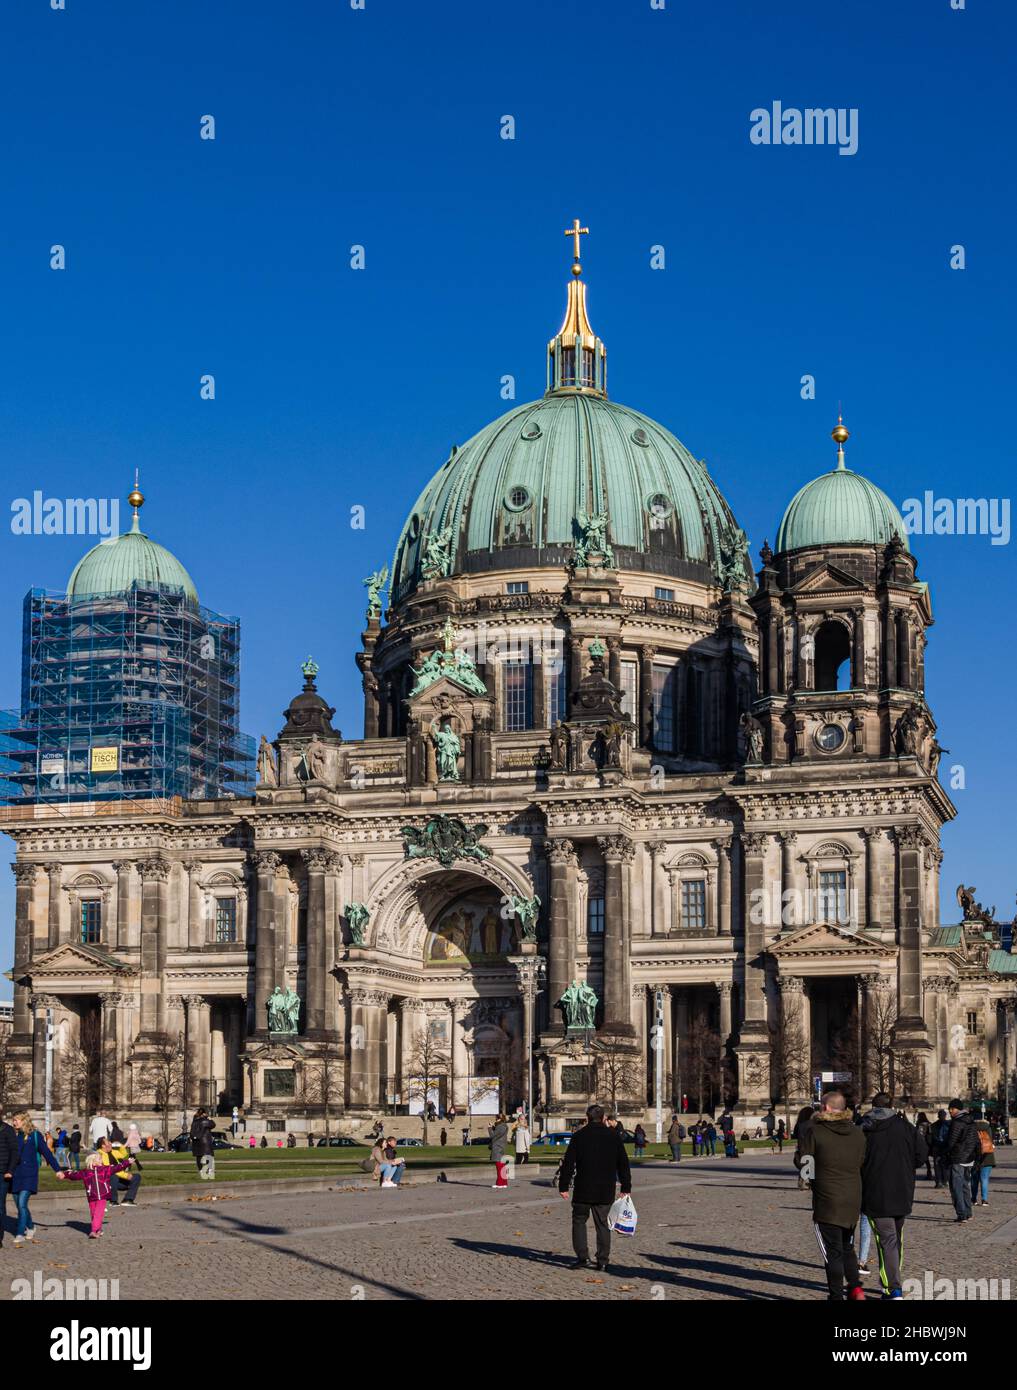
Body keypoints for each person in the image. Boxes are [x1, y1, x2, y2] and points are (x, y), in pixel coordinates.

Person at [794, 1090, 866, 1301]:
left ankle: (836, 1296)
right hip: (852, 1198)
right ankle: (856, 1288)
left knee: (832, 1252)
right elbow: (861, 1161)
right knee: (847, 1247)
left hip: (827, 1200)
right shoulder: (857, 1133)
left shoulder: (815, 1132)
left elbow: (806, 1168)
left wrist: (800, 1159)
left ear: (825, 1108)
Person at [860, 1092, 928, 1300]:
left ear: (873, 1106)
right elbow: (921, 1156)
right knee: (895, 1239)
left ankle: (892, 1288)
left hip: (875, 1192)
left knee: (887, 1240)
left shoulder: (864, 1128)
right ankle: (890, 1282)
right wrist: (905, 1167)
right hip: (902, 1191)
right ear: (892, 1106)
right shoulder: (906, 1128)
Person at [558, 1104, 632, 1273]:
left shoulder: (579, 1136)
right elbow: (623, 1164)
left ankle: (582, 1257)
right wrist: (626, 1186)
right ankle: (603, 1260)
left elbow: (569, 1163)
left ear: (587, 1117)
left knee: (579, 1222)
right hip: (605, 1188)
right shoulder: (613, 1136)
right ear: (604, 1117)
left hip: (583, 1187)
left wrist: (563, 1185)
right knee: (603, 1224)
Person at [57, 1136, 133, 1237]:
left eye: (101, 1159)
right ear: (92, 1161)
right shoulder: (86, 1172)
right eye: (99, 1159)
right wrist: (65, 1175)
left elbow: (117, 1167)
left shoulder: (105, 1169)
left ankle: (93, 1231)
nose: (101, 1160)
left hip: (103, 1195)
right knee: (94, 1213)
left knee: (98, 1213)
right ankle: (98, 1229)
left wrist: (127, 1162)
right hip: (91, 1195)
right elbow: (74, 1175)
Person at [9, 1112, 62, 1247]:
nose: (14, 1122)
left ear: (24, 1121)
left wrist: (58, 1170)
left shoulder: (35, 1136)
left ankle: (20, 1233)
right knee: (20, 1205)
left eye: (17, 1120)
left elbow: (47, 1154)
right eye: (13, 1120)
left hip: (29, 1174)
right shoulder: (13, 1135)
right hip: (15, 1174)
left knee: (21, 1203)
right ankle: (31, 1226)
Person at [945, 1098, 979, 1222]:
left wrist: (944, 1153)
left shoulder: (957, 1122)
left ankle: (961, 1214)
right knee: (965, 1185)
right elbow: (976, 1141)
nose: (950, 1111)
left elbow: (951, 1142)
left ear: (957, 1109)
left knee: (956, 1186)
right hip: (969, 1157)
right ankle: (968, 1212)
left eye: (952, 1109)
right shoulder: (971, 1121)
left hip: (958, 1157)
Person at [108, 1138, 143, 1208]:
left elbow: (123, 1154)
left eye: (110, 1143)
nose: (110, 1144)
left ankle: (128, 1199)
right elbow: (110, 1170)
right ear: (102, 1146)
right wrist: (125, 1175)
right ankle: (113, 1201)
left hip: (119, 1181)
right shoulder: (102, 1154)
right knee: (113, 1176)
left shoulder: (113, 1152)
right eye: (107, 1143)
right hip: (108, 1182)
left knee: (137, 1177)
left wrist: (120, 1145)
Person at [0, 1108, 17, 1249]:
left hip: (2, 1173)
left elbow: (14, 1151)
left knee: (0, 1205)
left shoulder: (7, 1130)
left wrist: (10, 1171)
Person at [971, 1117, 995, 1206]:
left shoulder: (972, 1128)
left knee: (974, 1179)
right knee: (984, 1179)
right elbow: (991, 1142)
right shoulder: (988, 1128)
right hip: (987, 1156)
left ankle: (974, 1199)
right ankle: (984, 1200)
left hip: (974, 1157)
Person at [189, 1107, 215, 1179]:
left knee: (198, 1156)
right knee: (208, 1156)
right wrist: (209, 1118)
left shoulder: (194, 1121)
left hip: (196, 1141)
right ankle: (209, 1170)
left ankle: (200, 1170)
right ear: (204, 1113)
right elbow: (213, 1124)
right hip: (205, 1141)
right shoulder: (205, 1121)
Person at [792, 1106, 814, 1189]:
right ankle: (811, 1182)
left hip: (802, 1147)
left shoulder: (799, 1124)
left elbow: (795, 1135)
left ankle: (803, 1181)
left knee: (804, 1164)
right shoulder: (814, 1124)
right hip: (811, 1146)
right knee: (811, 1163)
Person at [929, 1109, 950, 1188]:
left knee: (937, 1165)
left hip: (936, 1147)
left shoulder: (933, 1125)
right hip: (945, 1147)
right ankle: (945, 1181)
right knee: (945, 1165)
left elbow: (930, 1138)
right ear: (945, 1116)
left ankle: (939, 1181)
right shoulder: (949, 1124)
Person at [489, 1113, 510, 1189]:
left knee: (499, 1166)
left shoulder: (500, 1126)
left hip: (498, 1147)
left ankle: (499, 1183)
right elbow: (498, 1134)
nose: (495, 1120)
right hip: (501, 1147)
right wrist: (494, 1127)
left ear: (500, 1119)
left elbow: (493, 1136)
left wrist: (490, 1128)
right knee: (502, 1166)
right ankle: (504, 1183)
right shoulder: (503, 1126)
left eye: (496, 1119)